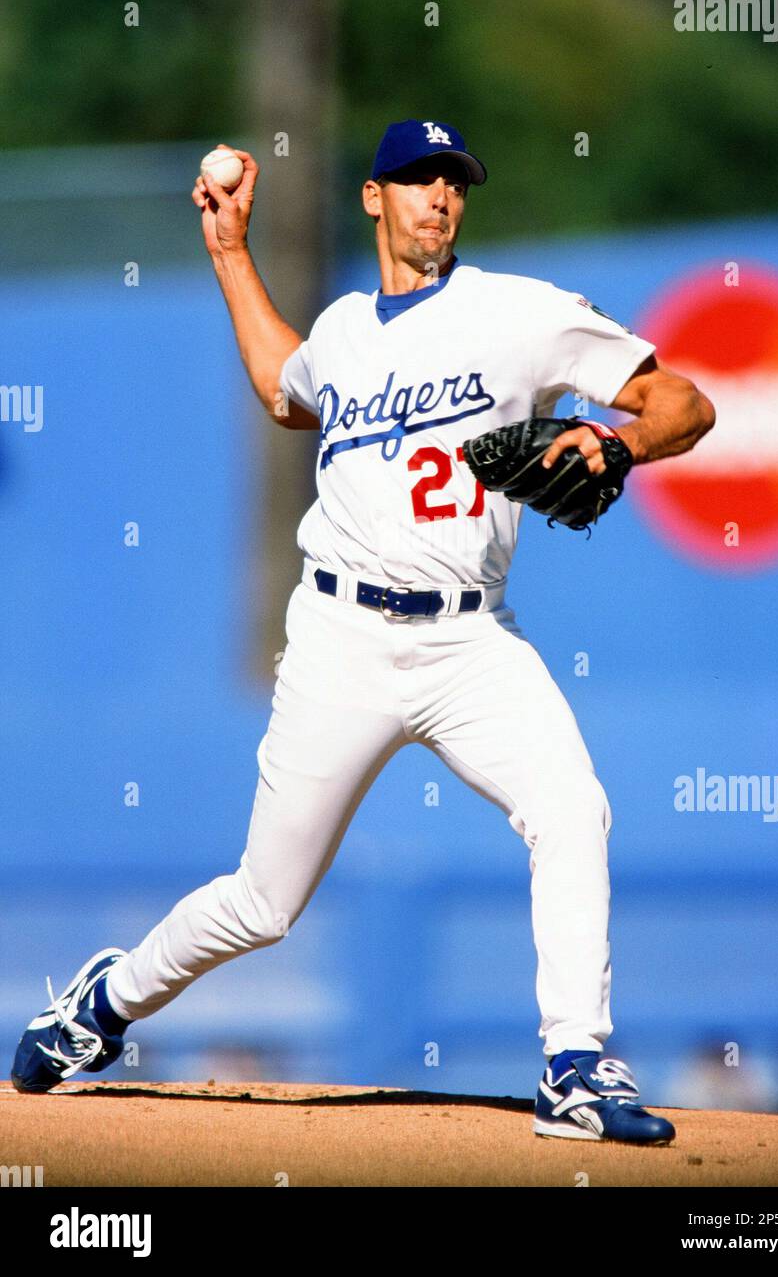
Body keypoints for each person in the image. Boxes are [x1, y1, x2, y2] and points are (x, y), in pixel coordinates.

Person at [12, 119, 714, 1144]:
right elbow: (281, 387)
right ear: (373, 198)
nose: (439, 195)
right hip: (339, 636)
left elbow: (682, 402)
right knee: (263, 901)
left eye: (454, 181)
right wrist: (227, 251)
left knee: (572, 810)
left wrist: (615, 442)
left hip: (472, 644)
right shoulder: (342, 331)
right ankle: (104, 1003)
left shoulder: (521, 314)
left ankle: (574, 1062)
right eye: (416, 179)